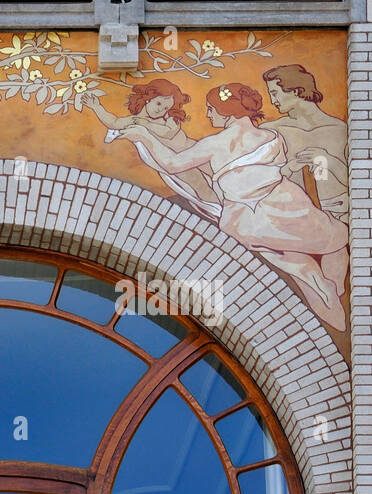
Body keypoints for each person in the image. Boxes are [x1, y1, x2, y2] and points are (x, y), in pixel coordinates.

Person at [111, 83, 348, 332]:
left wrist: (142, 135)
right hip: (288, 205)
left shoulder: (215, 144)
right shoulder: (271, 136)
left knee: (299, 263)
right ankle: (335, 300)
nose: (209, 114)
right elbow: (286, 169)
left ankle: (329, 302)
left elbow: (172, 163)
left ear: (227, 112)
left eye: (212, 109)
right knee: (334, 239)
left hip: (249, 219)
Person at [83, 80, 218, 210]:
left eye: (166, 107)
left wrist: (147, 125)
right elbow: (113, 122)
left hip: (194, 151)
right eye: (159, 104)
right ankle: (220, 208)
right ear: (149, 98)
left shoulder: (169, 118)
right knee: (199, 184)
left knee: (219, 173)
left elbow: (169, 133)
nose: (161, 110)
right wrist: (96, 107)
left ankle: (234, 201)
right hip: (176, 161)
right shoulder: (135, 120)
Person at [260, 64, 349, 223]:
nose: (273, 101)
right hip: (293, 216)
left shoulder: (339, 129)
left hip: (340, 213)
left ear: (295, 90)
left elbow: (359, 181)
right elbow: (258, 180)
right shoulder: (271, 131)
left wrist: (329, 161)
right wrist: (288, 168)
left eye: (275, 93)